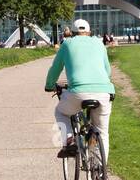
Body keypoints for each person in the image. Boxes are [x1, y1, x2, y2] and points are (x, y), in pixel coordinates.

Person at [44, 18, 114, 169]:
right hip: (103, 92)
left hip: (78, 92)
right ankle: (100, 171)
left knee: (60, 112)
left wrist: (49, 85)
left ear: (72, 33)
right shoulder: (99, 43)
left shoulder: (67, 44)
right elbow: (108, 71)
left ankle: (69, 140)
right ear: (89, 32)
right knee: (102, 132)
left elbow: (55, 68)